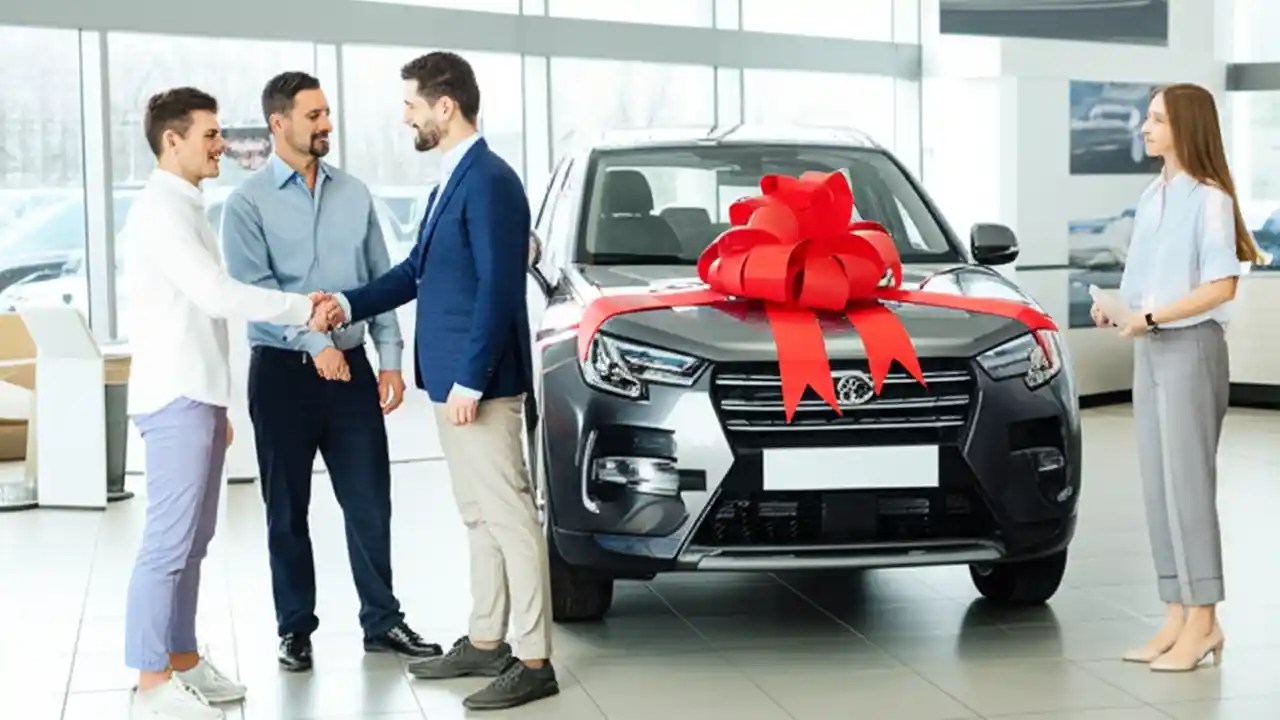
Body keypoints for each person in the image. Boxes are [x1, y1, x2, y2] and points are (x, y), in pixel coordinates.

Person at [312, 51, 558, 711]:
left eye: (412, 105)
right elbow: (416, 269)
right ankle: (486, 640)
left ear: (445, 106)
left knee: (508, 515)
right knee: (478, 516)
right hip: (451, 380)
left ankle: (533, 658)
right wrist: (347, 302)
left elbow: (502, 290)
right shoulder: (453, 179)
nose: (406, 118)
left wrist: (473, 380)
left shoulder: (492, 181)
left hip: (479, 385)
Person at [221, 71, 439, 671]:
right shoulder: (246, 205)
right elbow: (252, 291)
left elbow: (379, 280)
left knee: (370, 501)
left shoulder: (355, 194)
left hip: (354, 371)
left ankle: (383, 622)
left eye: (327, 114)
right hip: (283, 373)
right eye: (314, 115)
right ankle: (295, 628)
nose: (326, 125)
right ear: (278, 123)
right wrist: (312, 339)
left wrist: (390, 356)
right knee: (286, 508)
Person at [121, 87, 327, 720]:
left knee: (195, 539)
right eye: (209, 136)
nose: (222, 145)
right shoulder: (160, 212)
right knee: (168, 542)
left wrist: (219, 407)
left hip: (199, 398)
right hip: (177, 396)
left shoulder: (186, 207)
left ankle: (181, 659)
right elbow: (215, 295)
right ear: (171, 140)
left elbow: (196, 315)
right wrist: (302, 306)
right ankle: (153, 681)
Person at [1095, 83, 1265, 672]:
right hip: (1151, 348)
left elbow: (1221, 286)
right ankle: (1176, 613)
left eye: (1156, 119)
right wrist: (1116, 304)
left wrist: (1148, 315)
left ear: (1185, 127)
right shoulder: (1152, 195)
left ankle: (1206, 620)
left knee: (1189, 486)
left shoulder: (1210, 199)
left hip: (1191, 348)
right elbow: (1143, 282)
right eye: (1146, 117)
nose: (1144, 127)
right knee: (1157, 486)